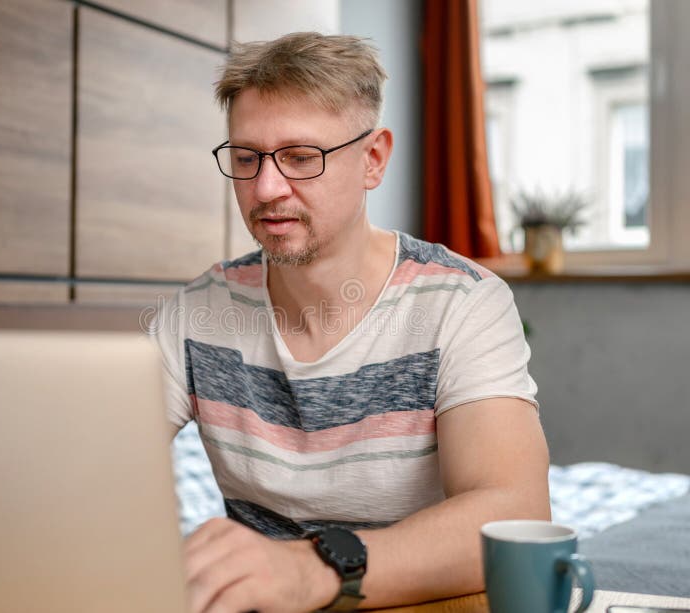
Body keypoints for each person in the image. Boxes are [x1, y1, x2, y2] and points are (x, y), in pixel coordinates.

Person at [155, 32, 550, 613]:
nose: (266, 188)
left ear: (373, 159)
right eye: (246, 158)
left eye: (300, 157)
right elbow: (84, 464)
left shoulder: (461, 301)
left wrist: (310, 569)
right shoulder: (196, 312)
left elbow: (511, 513)